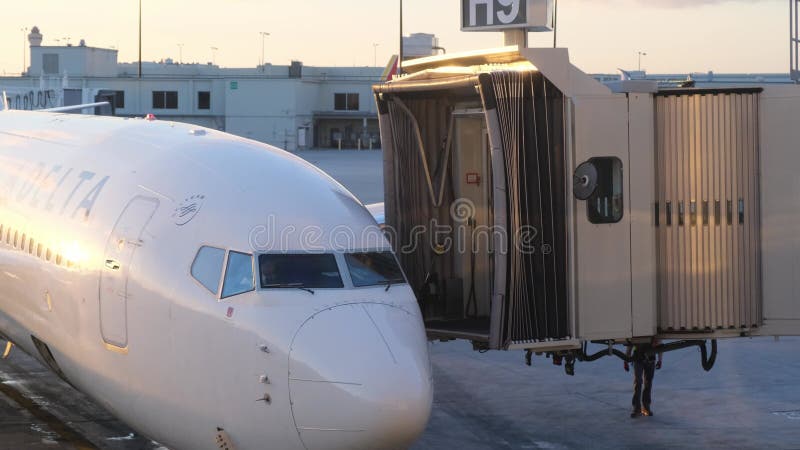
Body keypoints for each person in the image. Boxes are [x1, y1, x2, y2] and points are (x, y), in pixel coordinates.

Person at [624, 339, 663, 418]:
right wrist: (626, 360)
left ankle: (646, 406)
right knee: (638, 382)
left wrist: (660, 360)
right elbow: (630, 345)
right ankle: (636, 408)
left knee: (648, 383)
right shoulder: (636, 331)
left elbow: (659, 344)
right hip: (638, 359)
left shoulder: (652, 331)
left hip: (650, 360)